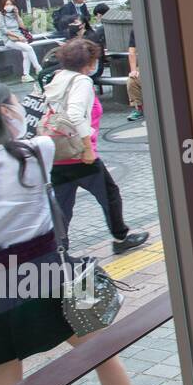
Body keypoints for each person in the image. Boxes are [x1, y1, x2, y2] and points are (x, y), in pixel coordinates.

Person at [0, 83, 174, 385]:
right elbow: (56, 135)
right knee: (100, 351)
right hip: (48, 282)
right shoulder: (33, 153)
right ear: (5, 114)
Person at [43, 38, 150, 253]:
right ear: (89, 63)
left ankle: (59, 250)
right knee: (110, 195)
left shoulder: (58, 77)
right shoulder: (81, 81)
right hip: (80, 154)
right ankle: (120, 239)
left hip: (57, 152)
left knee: (62, 205)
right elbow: (74, 115)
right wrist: (87, 147)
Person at [0, 0, 40, 82]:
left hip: (20, 38)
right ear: (3, 6)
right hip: (9, 40)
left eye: (10, 4)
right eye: (6, 4)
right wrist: (18, 37)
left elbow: (22, 26)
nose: (8, 6)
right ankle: (38, 68)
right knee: (29, 48)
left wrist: (17, 14)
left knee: (26, 54)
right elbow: (4, 30)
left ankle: (26, 75)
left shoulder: (13, 14)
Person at [126, 31, 144, 121]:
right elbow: (132, 52)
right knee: (132, 81)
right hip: (145, 65)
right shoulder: (135, 30)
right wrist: (133, 71)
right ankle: (139, 108)